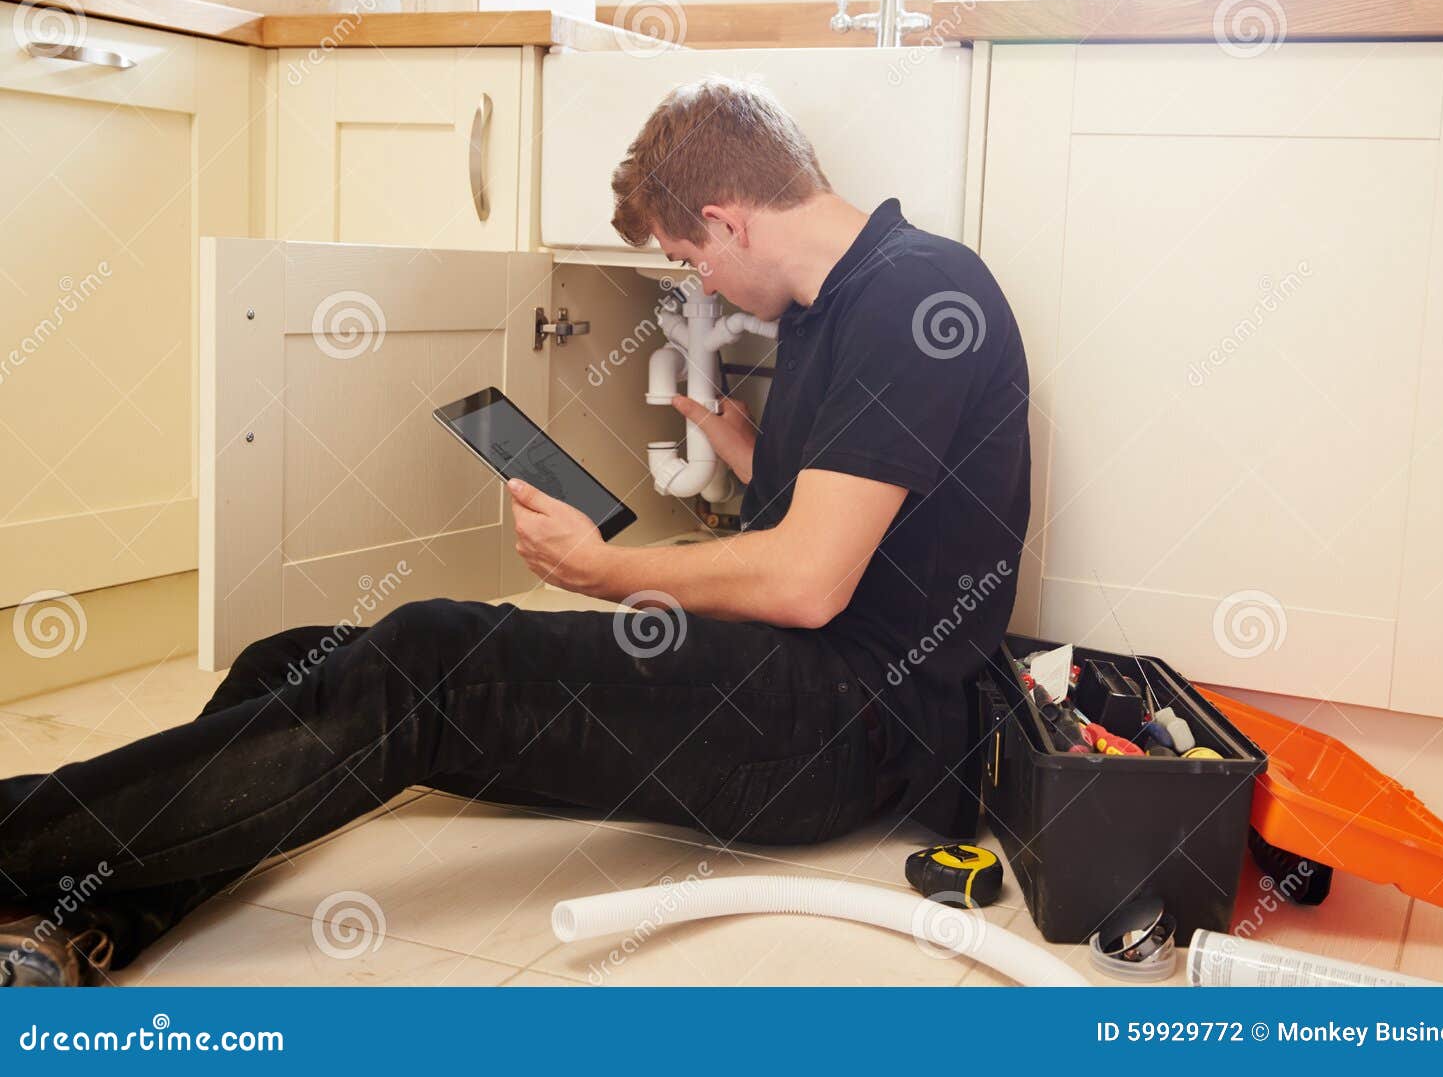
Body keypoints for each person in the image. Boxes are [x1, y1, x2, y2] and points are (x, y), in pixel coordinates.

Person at [0, 78, 1030, 986]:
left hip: (851, 725)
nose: (700, 283)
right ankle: (82, 922)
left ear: (727, 221)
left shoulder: (914, 295)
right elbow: (850, 502)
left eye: (689, 258)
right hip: (795, 674)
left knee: (429, 659)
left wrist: (602, 569)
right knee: (294, 658)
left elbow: (810, 579)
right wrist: (737, 437)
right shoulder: (831, 299)